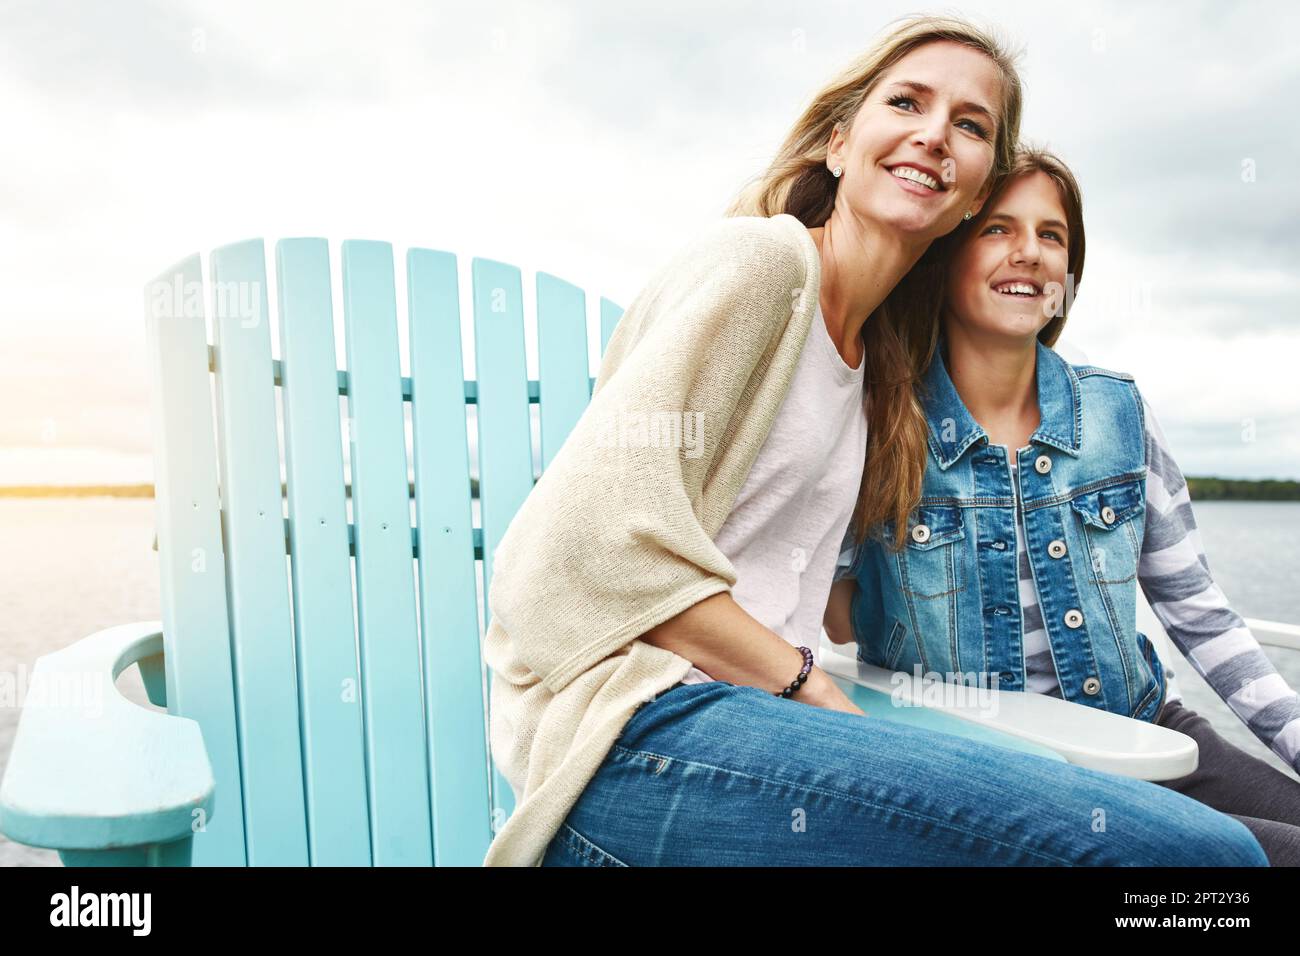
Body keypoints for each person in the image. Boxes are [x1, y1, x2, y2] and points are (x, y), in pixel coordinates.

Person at [481, 14, 1267, 867]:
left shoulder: (876, 369)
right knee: (1206, 862)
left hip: (762, 732)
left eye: (969, 126)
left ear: (970, 193)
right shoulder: (763, 267)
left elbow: (841, 593)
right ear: (837, 141)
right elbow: (572, 554)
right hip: (636, 733)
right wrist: (807, 682)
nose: (935, 134)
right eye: (908, 102)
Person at [831, 146, 1300, 864]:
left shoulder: (1118, 412)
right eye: (997, 229)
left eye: (1052, 235)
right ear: (946, 254)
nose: (1030, 253)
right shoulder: (875, 424)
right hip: (996, 776)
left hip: (1146, 733)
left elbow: (1203, 619)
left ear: (1069, 274)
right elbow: (829, 615)